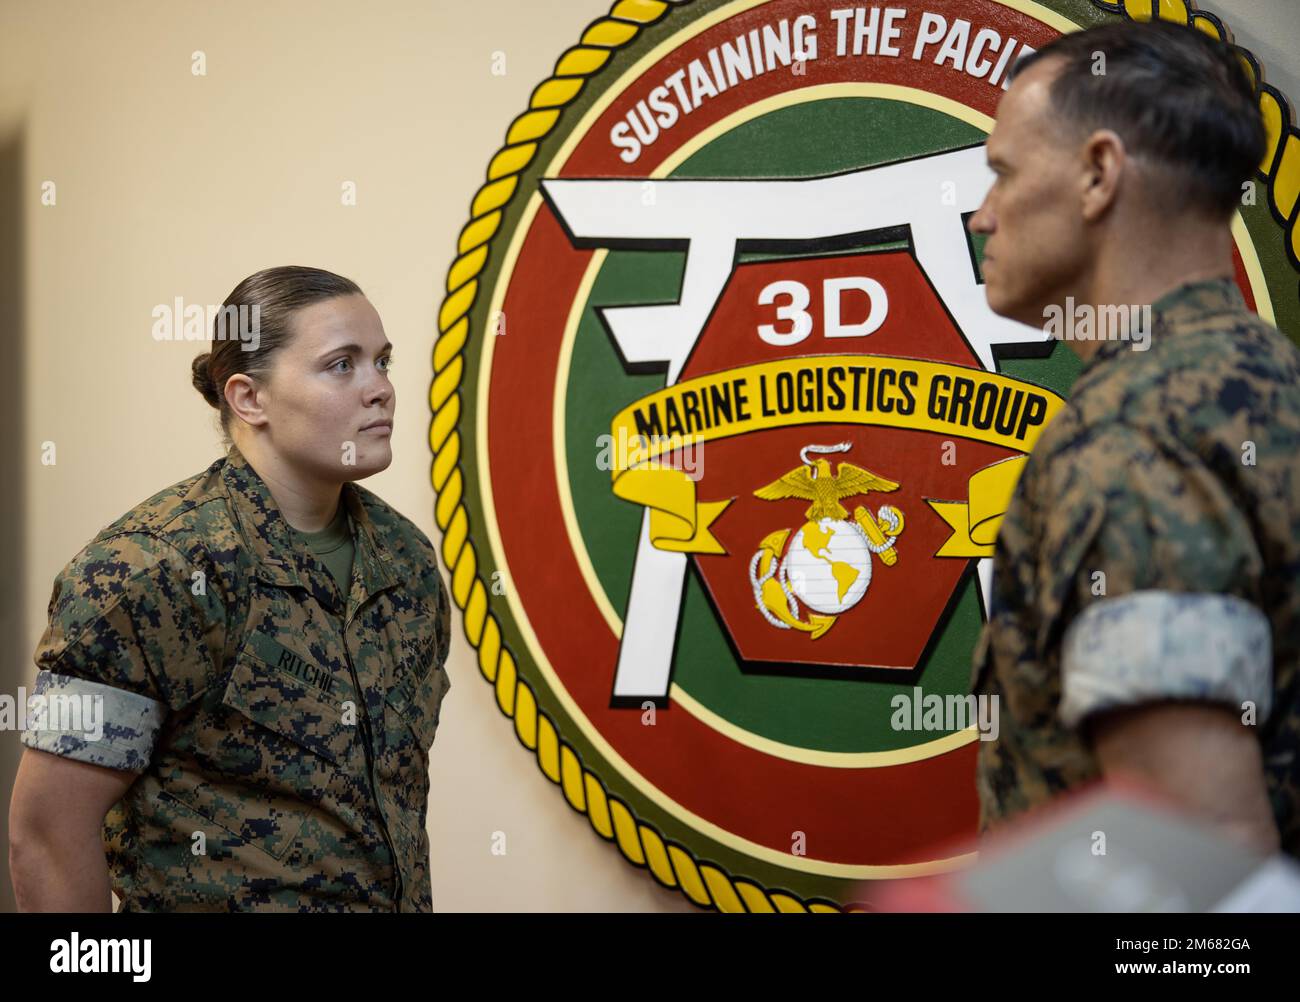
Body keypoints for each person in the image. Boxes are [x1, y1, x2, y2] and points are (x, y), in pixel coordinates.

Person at [8, 265, 453, 910]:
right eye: (341, 365)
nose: (380, 389)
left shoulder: (404, 562)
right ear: (248, 399)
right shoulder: (152, 568)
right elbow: (47, 835)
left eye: (383, 362)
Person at [966, 21, 1299, 858]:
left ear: (1097, 174)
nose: (982, 216)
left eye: (1003, 174)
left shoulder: (1133, 433)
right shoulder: (1274, 380)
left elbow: (1199, 866)